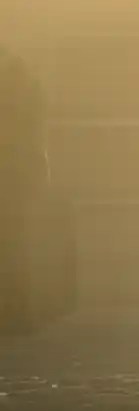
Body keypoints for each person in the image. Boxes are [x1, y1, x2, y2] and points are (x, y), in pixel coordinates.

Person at [0, 45, 49, 336]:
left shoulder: (19, 76)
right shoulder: (23, 74)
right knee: (16, 244)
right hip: (18, 170)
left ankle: (15, 310)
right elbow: (36, 127)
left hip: (12, 170)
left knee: (13, 244)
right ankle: (18, 311)